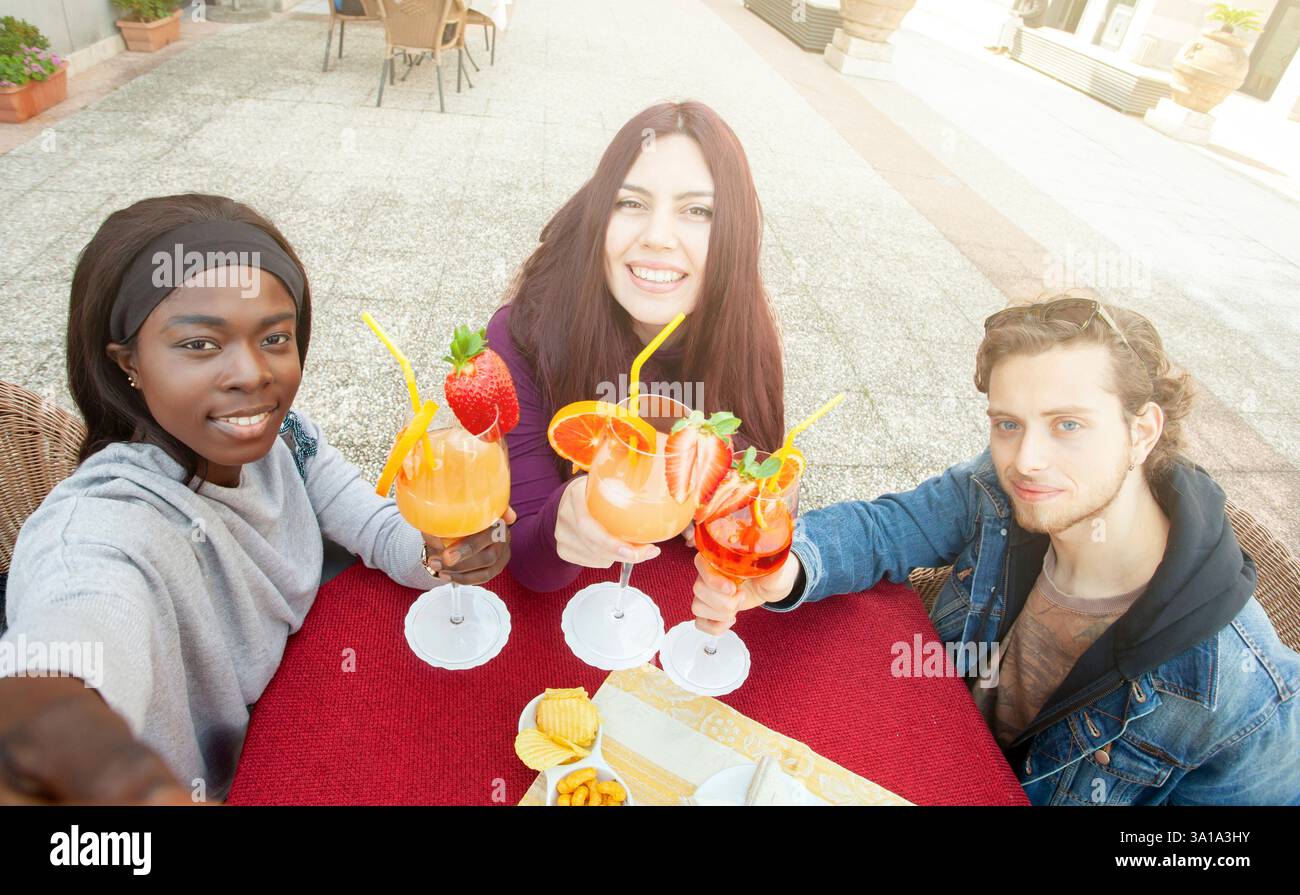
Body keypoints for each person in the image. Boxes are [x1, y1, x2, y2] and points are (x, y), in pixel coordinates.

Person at [0, 194, 513, 804]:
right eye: (199, 344)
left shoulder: (288, 442)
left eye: (274, 337)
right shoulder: (104, 529)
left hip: (306, 711)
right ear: (128, 363)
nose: (252, 374)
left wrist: (442, 554)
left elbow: (374, 526)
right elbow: (73, 636)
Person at [689, 297, 1300, 805]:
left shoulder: (1237, 694)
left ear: (1142, 431)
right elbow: (889, 527)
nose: (1026, 460)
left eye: (1068, 425)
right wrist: (787, 569)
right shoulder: (999, 487)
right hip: (917, 744)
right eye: (1008, 423)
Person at [485, 100, 785, 593]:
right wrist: (560, 524)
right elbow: (528, 564)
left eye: (697, 211)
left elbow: (756, 490)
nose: (658, 237)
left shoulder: (744, 336)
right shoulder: (525, 334)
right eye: (631, 203)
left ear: (734, 233)